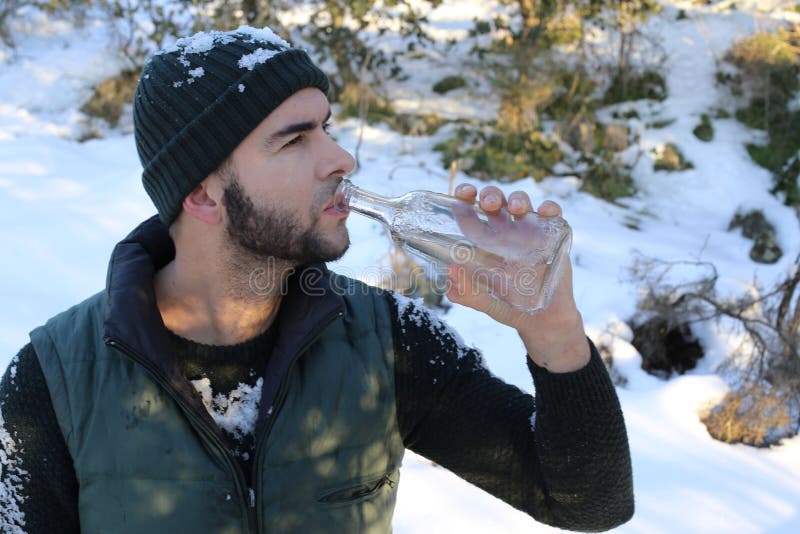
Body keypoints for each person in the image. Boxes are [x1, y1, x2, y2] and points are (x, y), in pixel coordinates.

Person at [0, 26, 633, 533]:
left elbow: (589, 502)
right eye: (294, 140)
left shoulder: (386, 341)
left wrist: (554, 332)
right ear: (201, 195)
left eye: (324, 127)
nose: (341, 158)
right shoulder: (54, 380)